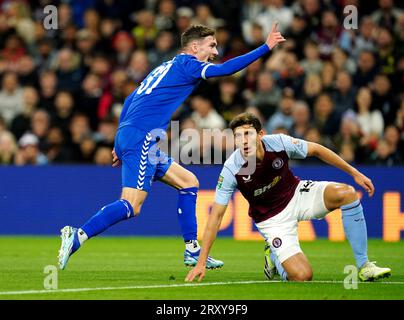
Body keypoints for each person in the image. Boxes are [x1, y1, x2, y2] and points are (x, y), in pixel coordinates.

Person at [58, 24, 286, 270]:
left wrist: (119, 140)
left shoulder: (166, 66)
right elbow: (226, 70)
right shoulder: (189, 65)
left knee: (188, 182)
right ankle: (78, 235)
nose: (215, 51)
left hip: (131, 133)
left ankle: (192, 250)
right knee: (131, 204)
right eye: (212, 45)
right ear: (194, 46)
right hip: (142, 136)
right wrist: (265, 47)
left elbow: (129, 99)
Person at [185, 112, 391, 282]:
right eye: (238, 136)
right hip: (272, 220)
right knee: (302, 276)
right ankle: (274, 255)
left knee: (347, 193)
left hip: (297, 194)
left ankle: (364, 266)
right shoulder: (232, 168)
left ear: (260, 135)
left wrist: (354, 172)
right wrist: (202, 262)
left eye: (248, 134)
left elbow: (317, 150)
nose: (243, 140)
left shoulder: (279, 143)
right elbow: (216, 216)